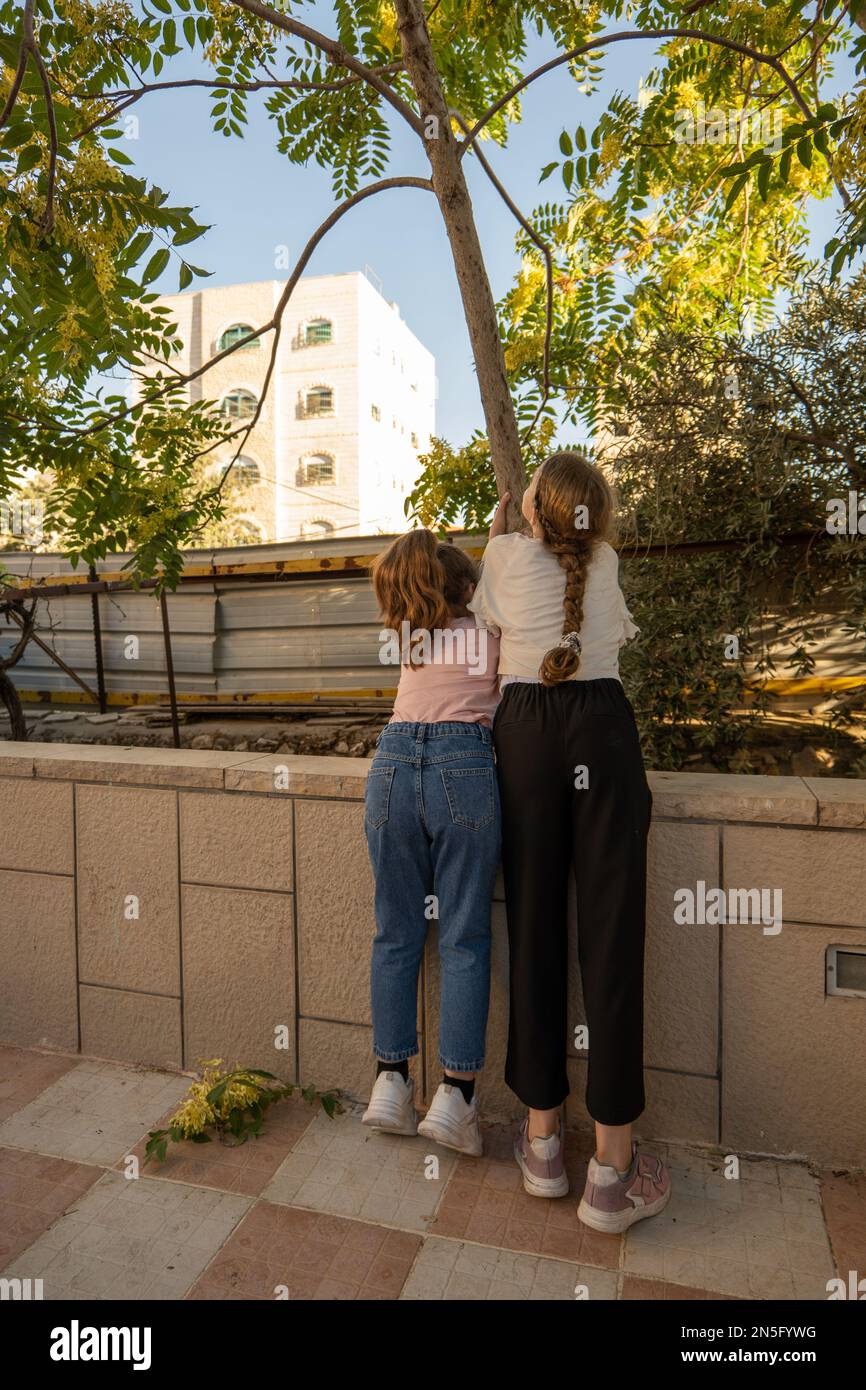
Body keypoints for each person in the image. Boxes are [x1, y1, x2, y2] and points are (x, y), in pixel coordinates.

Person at [468, 452, 671, 1232]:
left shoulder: (503, 555)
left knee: (534, 925)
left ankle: (545, 1143)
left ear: (534, 512)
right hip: (603, 729)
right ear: (599, 516)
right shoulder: (609, 560)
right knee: (612, 935)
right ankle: (613, 1170)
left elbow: (494, 618)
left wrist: (510, 521)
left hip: (523, 731)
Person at [361, 530, 501, 1157]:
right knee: (464, 936)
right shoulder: (492, 633)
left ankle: (391, 1085)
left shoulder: (410, 640)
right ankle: (455, 1098)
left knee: (395, 931)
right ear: (470, 590)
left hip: (390, 765)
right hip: (462, 767)